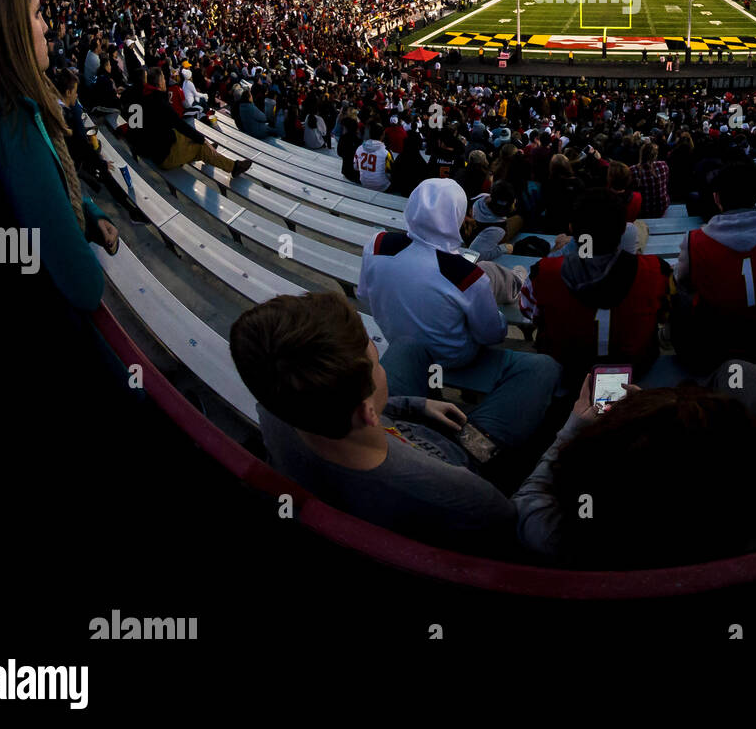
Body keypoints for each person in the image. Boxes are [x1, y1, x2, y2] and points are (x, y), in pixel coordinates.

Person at [228, 291, 517, 554]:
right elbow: (510, 519)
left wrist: (416, 405)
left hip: (391, 426)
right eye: (377, 364)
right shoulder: (458, 490)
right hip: (458, 456)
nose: (382, 368)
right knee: (542, 370)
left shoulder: (275, 400)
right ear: (367, 411)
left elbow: (340, 409)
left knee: (408, 347)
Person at [357, 178, 560, 450]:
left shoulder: (376, 243)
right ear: (456, 216)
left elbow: (362, 294)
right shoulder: (466, 275)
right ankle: (473, 443)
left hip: (396, 337)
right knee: (542, 366)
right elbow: (492, 334)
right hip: (453, 356)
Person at [513, 375, 756, 567]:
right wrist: (652, 412)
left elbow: (527, 501)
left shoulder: (555, 537)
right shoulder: (734, 522)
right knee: (739, 370)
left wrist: (572, 429)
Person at [0, 0, 118, 312]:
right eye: (38, 13)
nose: (46, 25)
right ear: (14, 29)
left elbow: (52, 191)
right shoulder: (16, 127)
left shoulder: (15, 101)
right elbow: (85, 286)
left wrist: (89, 214)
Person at [521, 187, 669, 389]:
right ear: (624, 229)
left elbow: (530, 314)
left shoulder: (543, 273)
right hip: (636, 369)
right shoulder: (656, 270)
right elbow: (663, 315)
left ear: (572, 228)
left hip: (567, 370)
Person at [671, 157, 756, 374]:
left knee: (676, 291)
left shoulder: (695, 241)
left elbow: (681, 280)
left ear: (716, 198)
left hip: (718, 347)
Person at [127, 66, 252, 178]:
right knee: (199, 147)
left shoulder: (145, 97)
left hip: (158, 146)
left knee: (189, 136)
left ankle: (207, 150)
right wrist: (203, 140)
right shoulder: (160, 102)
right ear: (159, 82)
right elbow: (180, 124)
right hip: (163, 156)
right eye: (164, 79)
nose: (165, 81)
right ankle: (234, 167)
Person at [633, 140, 670, 218]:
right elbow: (666, 183)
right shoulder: (663, 165)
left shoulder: (633, 170)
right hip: (662, 206)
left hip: (644, 209)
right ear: (655, 155)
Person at [354, 123, 393, 191]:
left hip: (364, 182)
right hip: (382, 186)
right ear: (382, 135)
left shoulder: (360, 148)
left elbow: (355, 167)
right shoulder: (386, 152)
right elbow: (391, 172)